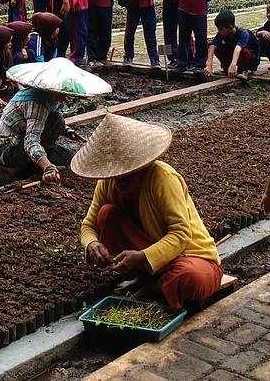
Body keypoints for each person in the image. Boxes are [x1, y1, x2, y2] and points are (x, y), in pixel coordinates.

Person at [76, 113, 224, 310]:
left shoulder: (162, 178)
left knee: (192, 278)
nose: (118, 178)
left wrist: (143, 256)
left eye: (124, 172)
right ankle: (149, 278)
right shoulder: (108, 183)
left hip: (190, 255)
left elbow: (181, 235)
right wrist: (91, 243)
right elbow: (89, 224)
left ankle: (153, 287)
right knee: (107, 214)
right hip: (154, 257)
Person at [0, 58, 98, 186]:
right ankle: (31, 166)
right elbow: (31, 141)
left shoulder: (46, 98)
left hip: (20, 144)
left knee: (70, 154)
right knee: (57, 123)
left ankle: (37, 162)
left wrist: (67, 131)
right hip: (8, 152)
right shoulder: (37, 102)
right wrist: (48, 167)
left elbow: (47, 121)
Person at [205, 9, 258, 78]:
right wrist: (209, 65)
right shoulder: (222, 34)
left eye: (221, 29)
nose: (219, 31)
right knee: (218, 47)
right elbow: (212, 46)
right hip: (233, 54)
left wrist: (233, 64)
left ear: (230, 27)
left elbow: (238, 48)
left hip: (247, 58)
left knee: (243, 51)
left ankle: (243, 70)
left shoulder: (243, 33)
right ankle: (226, 69)